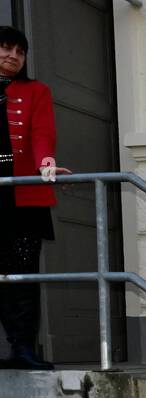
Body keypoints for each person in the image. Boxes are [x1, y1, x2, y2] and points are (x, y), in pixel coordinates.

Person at [0, 27, 66, 370]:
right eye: (6, 48)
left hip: (24, 196)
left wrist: (46, 161)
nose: (13, 56)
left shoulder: (36, 90)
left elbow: (43, 131)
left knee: (22, 275)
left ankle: (24, 348)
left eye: (19, 51)